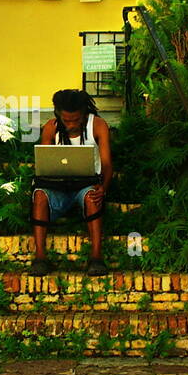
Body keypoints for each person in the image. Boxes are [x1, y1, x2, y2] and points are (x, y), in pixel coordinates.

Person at [30, 88, 114, 276]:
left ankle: (96, 258)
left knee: (92, 196)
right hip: (57, 187)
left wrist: (104, 188)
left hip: (86, 185)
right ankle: (40, 259)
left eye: (76, 120)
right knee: (39, 195)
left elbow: (107, 163)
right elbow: (45, 163)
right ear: (59, 115)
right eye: (66, 120)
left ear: (84, 114)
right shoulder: (51, 127)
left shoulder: (98, 125)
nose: (71, 124)